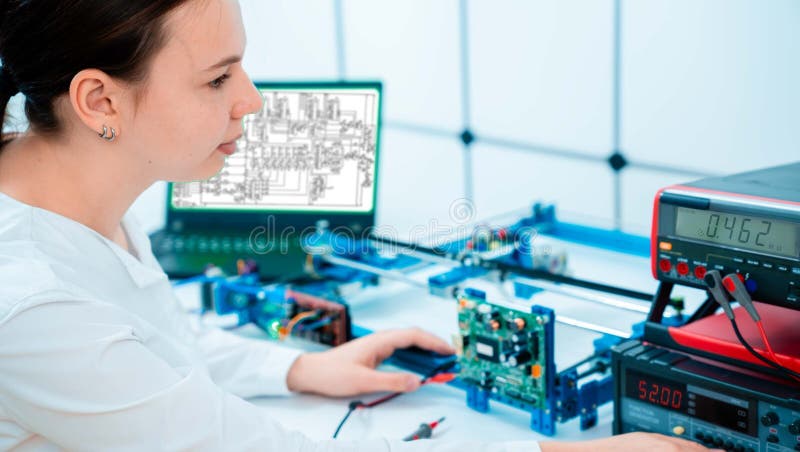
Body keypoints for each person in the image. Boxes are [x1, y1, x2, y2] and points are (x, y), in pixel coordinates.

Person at [0, 1, 720, 451]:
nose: (250, 100)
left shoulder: (78, 203)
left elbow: (157, 349)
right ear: (100, 101)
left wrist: (302, 367)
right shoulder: (30, 299)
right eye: (218, 79)